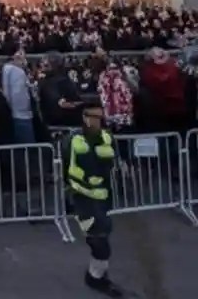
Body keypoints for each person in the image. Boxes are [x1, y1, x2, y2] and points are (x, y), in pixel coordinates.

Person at [64, 99, 126, 297]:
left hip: (103, 197)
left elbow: (115, 164)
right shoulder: (72, 141)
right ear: (84, 118)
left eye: (100, 117)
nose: (98, 121)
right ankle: (95, 277)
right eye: (93, 117)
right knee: (98, 242)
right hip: (82, 198)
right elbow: (66, 168)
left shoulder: (108, 138)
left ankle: (98, 274)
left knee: (103, 236)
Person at [0, 52, 35, 144]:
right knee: (26, 149)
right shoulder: (16, 72)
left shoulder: (9, 70)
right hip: (21, 116)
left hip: (17, 115)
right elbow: (16, 94)